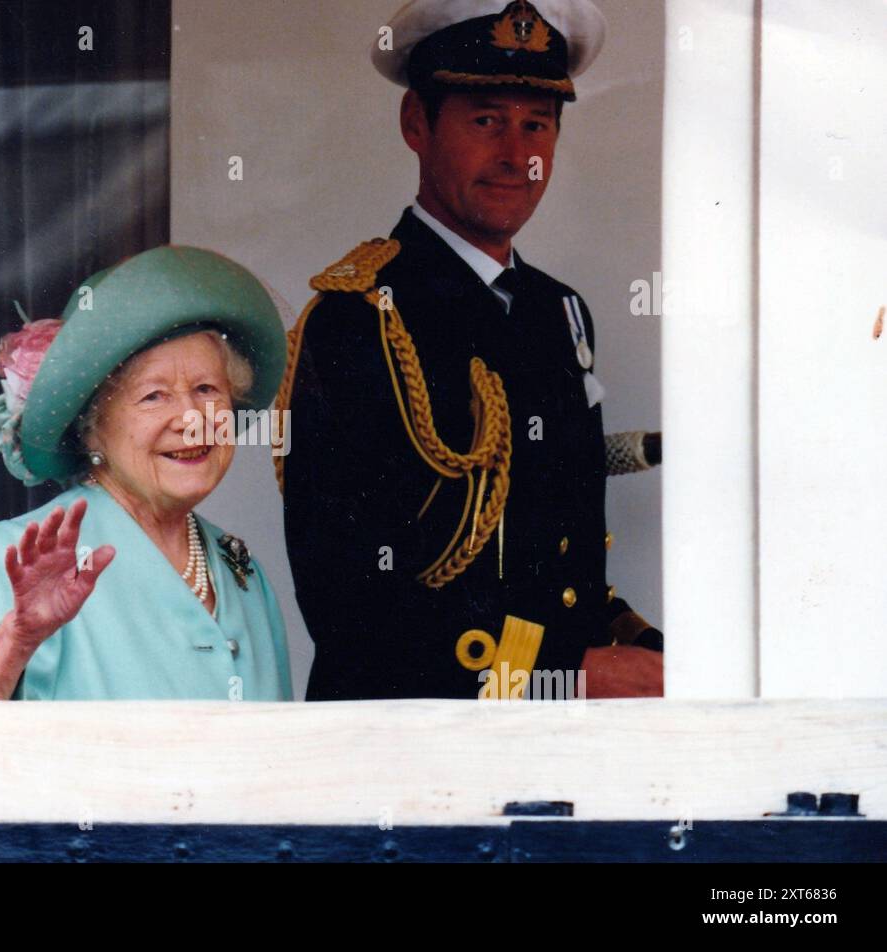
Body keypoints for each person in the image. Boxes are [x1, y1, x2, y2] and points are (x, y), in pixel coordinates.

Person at [277, 0, 663, 700]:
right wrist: (569, 676)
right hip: (410, 743)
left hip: (546, 735)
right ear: (416, 125)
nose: (517, 155)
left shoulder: (560, 312)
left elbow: (562, 565)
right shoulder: (357, 321)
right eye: (486, 120)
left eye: (537, 125)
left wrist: (644, 645)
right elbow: (347, 605)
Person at [0, 246, 293, 701]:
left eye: (206, 390)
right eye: (154, 396)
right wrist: (18, 638)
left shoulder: (242, 570)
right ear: (94, 430)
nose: (191, 418)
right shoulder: (22, 552)